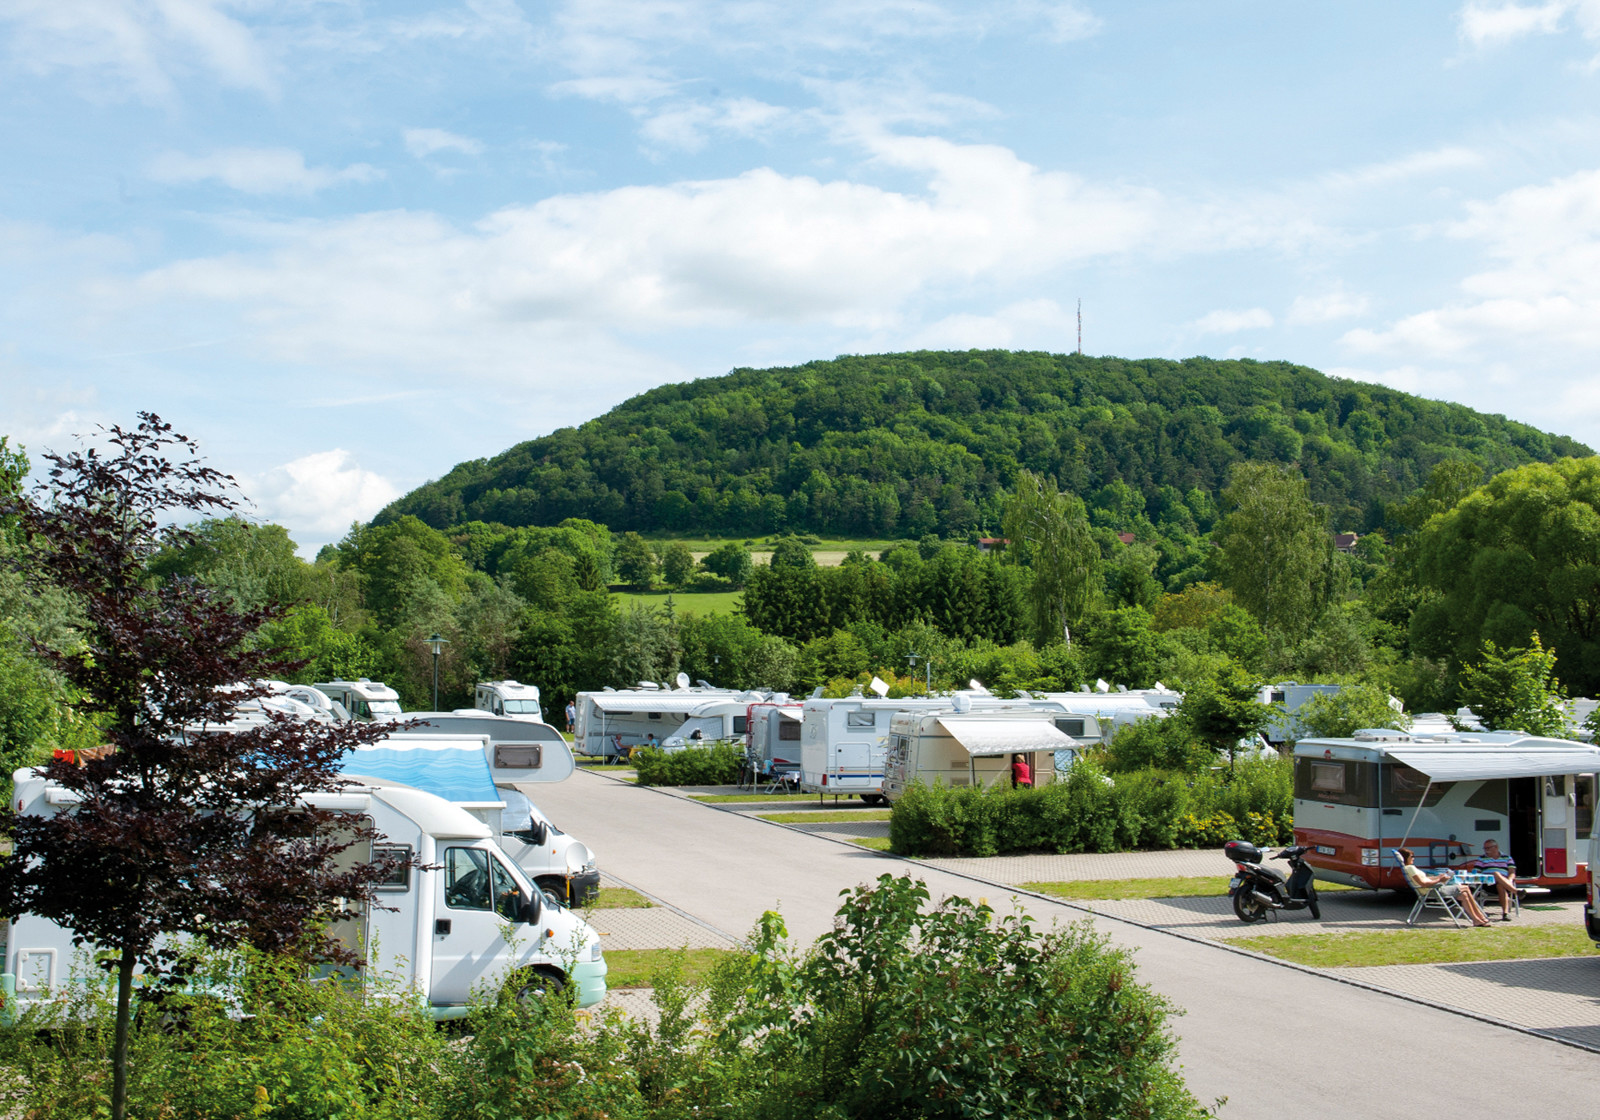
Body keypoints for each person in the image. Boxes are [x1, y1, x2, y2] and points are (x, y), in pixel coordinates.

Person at [1398, 847, 1492, 927]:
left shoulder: (1410, 868)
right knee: (1465, 888)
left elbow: (1426, 879)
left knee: (1464, 895)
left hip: (1432, 889)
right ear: (1406, 858)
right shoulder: (1410, 868)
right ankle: (1479, 917)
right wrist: (1440, 880)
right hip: (1433, 890)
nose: (1413, 858)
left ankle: (1477, 919)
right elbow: (1423, 884)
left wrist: (1438, 877)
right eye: (1411, 856)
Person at [1463, 838, 1519, 921]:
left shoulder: (1507, 858)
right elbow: (1476, 872)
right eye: (1485, 848)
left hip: (1505, 884)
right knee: (1496, 874)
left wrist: (1509, 881)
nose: (1486, 850)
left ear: (1496, 847)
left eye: (1488, 848)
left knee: (1500, 885)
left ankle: (1505, 913)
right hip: (1488, 884)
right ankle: (1515, 892)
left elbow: (1512, 872)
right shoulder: (1482, 858)